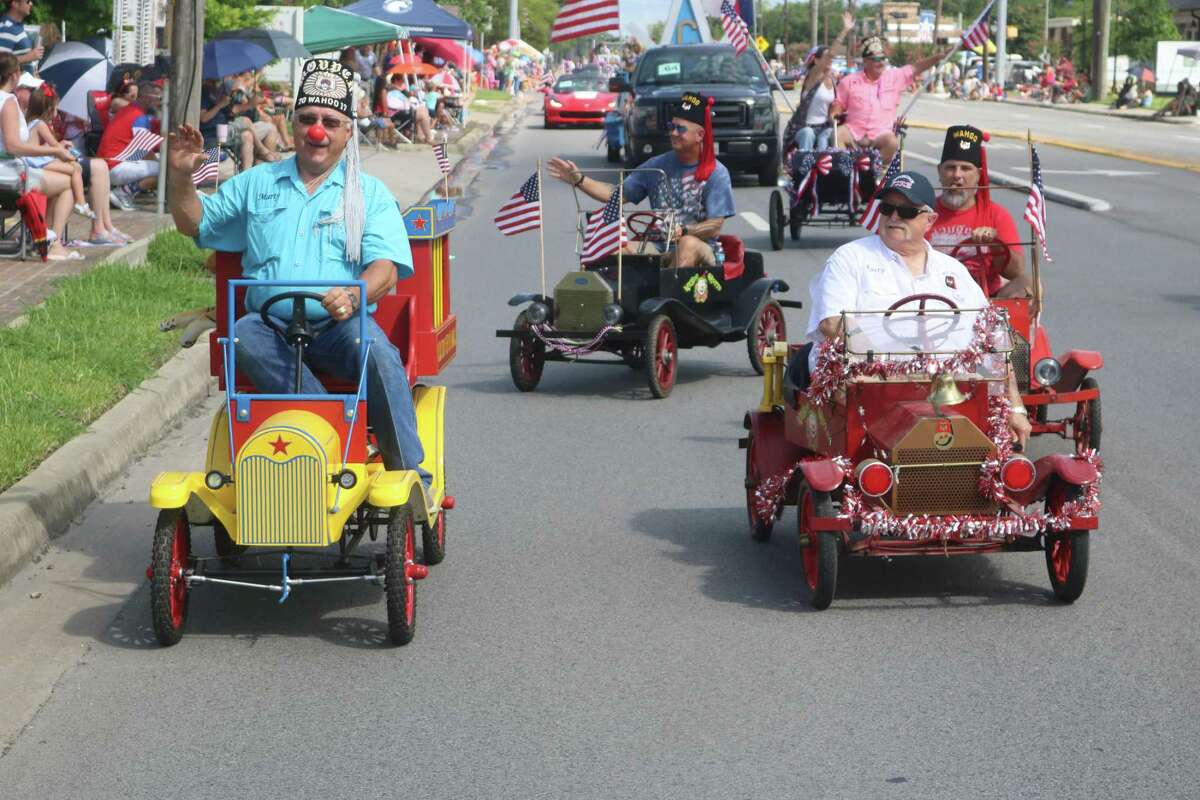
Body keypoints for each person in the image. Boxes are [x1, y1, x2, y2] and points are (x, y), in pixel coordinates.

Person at [166, 57, 430, 488]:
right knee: (243, 334)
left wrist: (353, 295)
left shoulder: (368, 192)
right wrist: (180, 177)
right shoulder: (257, 183)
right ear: (293, 124)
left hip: (340, 325)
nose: (317, 131)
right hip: (269, 327)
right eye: (307, 119)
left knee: (377, 352)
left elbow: (385, 268)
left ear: (348, 132)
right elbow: (194, 223)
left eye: (329, 121)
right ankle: (329, 440)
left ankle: (411, 475)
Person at [806, 170, 1031, 445]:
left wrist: (1016, 407)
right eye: (887, 208)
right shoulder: (850, 258)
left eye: (907, 211)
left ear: (930, 220)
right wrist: (894, 367)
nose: (894, 217)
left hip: (950, 385)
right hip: (873, 385)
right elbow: (830, 323)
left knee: (1011, 459)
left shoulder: (952, 271)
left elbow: (993, 338)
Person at [548, 91, 735, 269]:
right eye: (672, 127)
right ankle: (612, 300)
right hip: (660, 246)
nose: (673, 133)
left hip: (703, 250)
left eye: (680, 129)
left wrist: (684, 231)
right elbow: (615, 195)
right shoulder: (656, 166)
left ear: (700, 135)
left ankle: (669, 300)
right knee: (611, 248)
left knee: (687, 244)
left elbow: (715, 226)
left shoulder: (717, 172)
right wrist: (578, 179)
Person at [925, 124, 1026, 298]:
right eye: (950, 168)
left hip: (986, 300)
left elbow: (1015, 272)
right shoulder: (922, 213)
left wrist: (994, 243)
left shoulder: (996, 214)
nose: (957, 175)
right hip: (932, 298)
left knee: (1029, 283)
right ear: (939, 172)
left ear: (979, 175)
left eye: (965, 168)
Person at [25, 84, 129, 243]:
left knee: (78, 168)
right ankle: (82, 204)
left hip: (35, 161)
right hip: (37, 162)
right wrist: (66, 153)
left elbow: (47, 146)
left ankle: (99, 220)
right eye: (55, 110)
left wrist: (61, 145)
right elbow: (55, 148)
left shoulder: (32, 122)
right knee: (75, 168)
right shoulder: (41, 124)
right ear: (48, 110)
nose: (56, 114)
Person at [0, 53, 79, 259]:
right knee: (68, 183)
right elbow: (13, 145)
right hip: (9, 174)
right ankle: (51, 244)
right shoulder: (7, 101)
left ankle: (43, 235)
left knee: (61, 179)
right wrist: (54, 150)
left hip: (8, 170)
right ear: (14, 75)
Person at [831, 37, 953, 168]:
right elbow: (839, 103)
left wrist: (939, 57)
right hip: (854, 131)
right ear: (865, 61)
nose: (881, 62)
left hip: (880, 134)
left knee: (892, 142)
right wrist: (834, 112)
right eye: (876, 59)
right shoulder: (849, 81)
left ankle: (874, 172)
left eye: (883, 58)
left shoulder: (894, 77)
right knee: (838, 134)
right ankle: (845, 171)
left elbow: (917, 67)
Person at [784, 13, 854, 152]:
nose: (830, 61)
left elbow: (839, 105)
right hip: (805, 128)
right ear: (816, 61)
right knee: (808, 135)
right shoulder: (813, 77)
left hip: (825, 127)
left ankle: (825, 171)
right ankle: (804, 169)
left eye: (831, 59)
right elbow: (832, 53)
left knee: (827, 139)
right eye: (826, 58)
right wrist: (844, 30)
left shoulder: (833, 81)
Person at [96, 78, 163, 209]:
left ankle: (124, 191)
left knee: (162, 163)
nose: (160, 103)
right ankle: (122, 193)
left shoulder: (130, 110)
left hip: (109, 163)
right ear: (147, 99)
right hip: (115, 166)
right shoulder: (138, 116)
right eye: (158, 99)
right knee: (166, 171)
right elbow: (144, 151)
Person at [0, 0, 41, 75]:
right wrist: (28, 57)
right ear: (15, 3)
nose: (31, 4)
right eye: (28, 1)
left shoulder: (17, 27)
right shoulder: (6, 27)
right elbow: (1, 62)